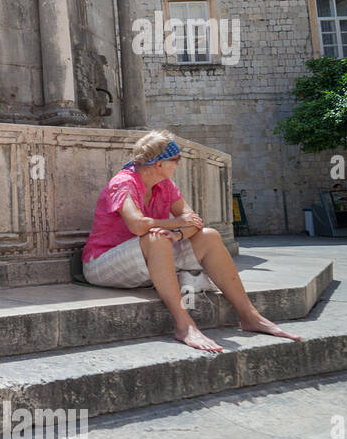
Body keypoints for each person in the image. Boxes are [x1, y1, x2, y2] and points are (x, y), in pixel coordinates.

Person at [81, 129, 301, 353]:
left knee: (209, 236)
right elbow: (137, 225)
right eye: (176, 160)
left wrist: (178, 234)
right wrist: (174, 223)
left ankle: (250, 316)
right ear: (158, 164)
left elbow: (194, 222)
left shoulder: (165, 184)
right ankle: (184, 325)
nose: (178, 164)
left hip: (143, 256)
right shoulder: (123, 183)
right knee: (155, 237)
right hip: (102, 264)